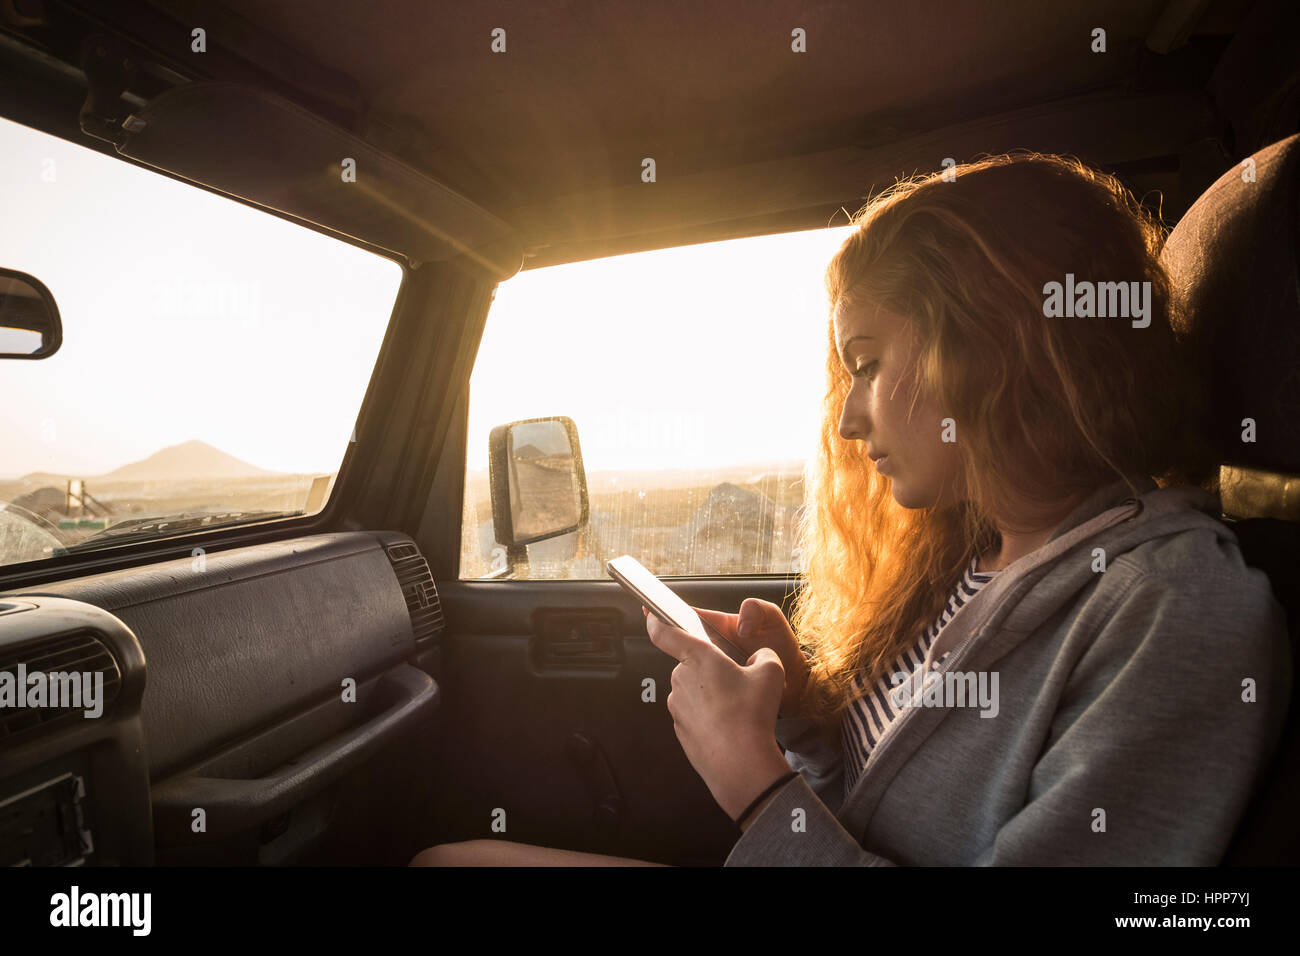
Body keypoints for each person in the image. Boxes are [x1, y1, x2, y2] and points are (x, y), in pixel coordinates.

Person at [410, 151, 1291, 867]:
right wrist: (796, 709)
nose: (847, 417)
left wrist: (755, 786)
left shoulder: (1175, 610)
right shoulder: (982, 554)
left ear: (994, 348)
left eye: (867, 364)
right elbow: (867, 813)